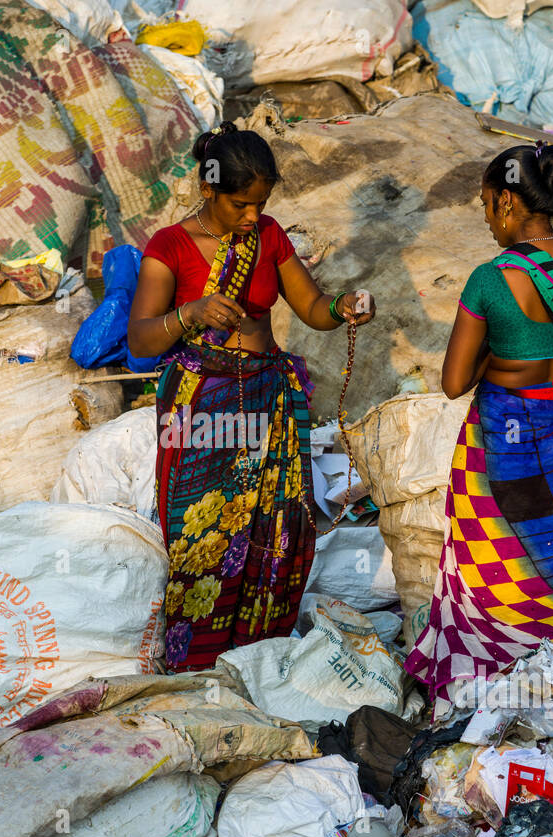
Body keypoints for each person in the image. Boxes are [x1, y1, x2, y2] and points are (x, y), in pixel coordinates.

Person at [128, 121, 375, 672]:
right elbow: (141, 338)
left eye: (260, 203)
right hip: (202, 406)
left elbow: (311, 307)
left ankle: (255, 653)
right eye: (240, 204)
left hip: (266, 395)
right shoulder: (169, 246)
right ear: (209, 189)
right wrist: (187, 314)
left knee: (276, 527)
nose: (250, 216)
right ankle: (194, 662)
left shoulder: (268, 235)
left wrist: (343, 308)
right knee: (204, 533)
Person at [405, 142, 553, 719]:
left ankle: (483, 680)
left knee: (491, 566)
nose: (484, 216)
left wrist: (499, 356)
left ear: (507, 201)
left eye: (485, 203)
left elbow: (454, 382)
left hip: (501, 446)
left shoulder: (487, 280)